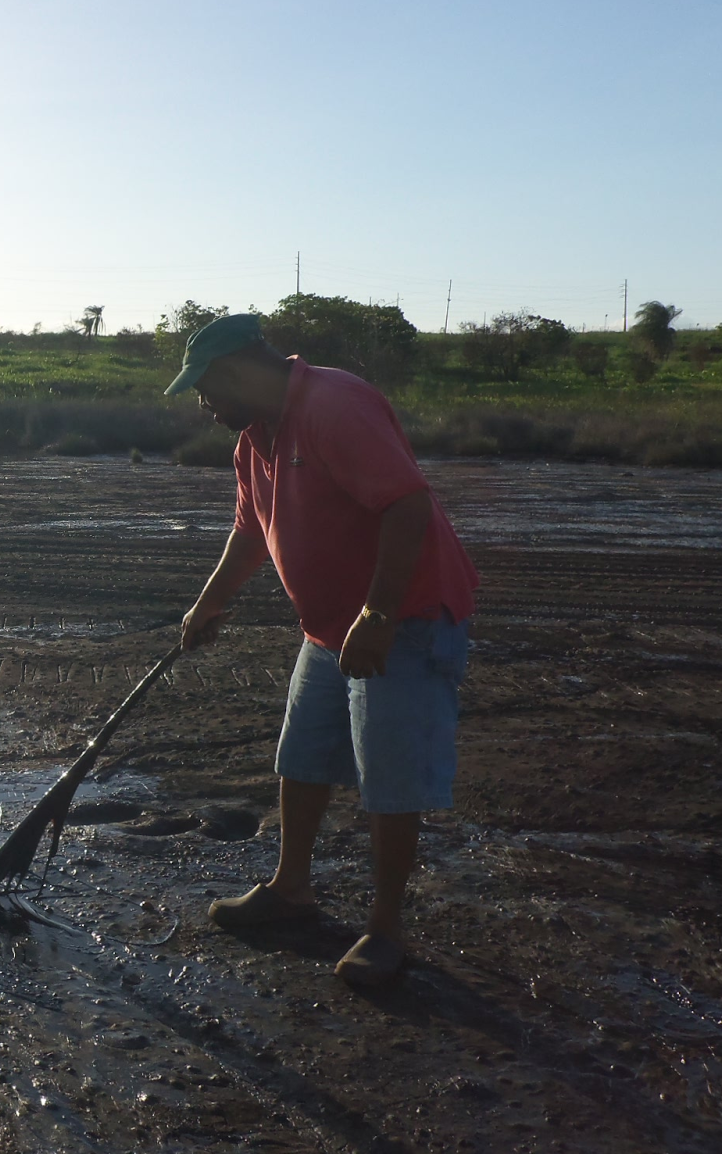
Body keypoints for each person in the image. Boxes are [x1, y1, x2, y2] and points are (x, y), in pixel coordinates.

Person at [166, 313, 478, 987]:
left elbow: (407, 505)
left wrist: (378, 614)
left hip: (405, 619)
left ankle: (386, 931)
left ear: (240, 371)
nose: (204, 406)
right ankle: (291, 890)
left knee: (389, 777)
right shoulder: (254, 439)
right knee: (302, 757)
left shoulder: (335, 404)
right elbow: (251, 532)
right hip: (329, 626)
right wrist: (208, 604)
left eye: (208, 390)